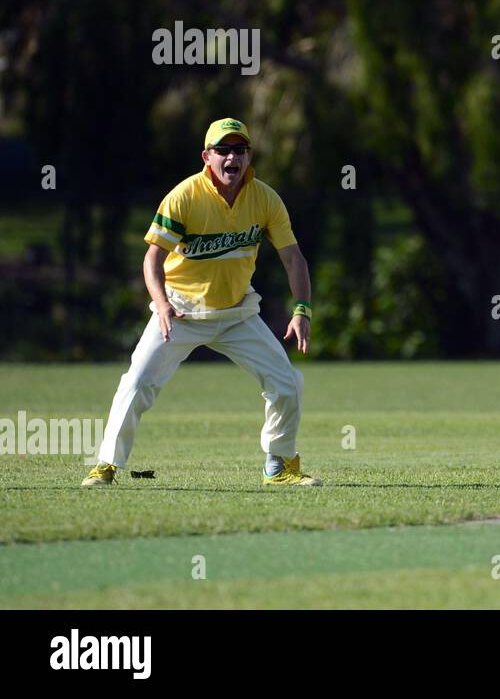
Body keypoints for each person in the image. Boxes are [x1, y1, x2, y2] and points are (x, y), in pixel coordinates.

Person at [80, 118, 322, 488]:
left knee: (287, 383)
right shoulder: (184, 196)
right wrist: (161, 304)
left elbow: (293, 257)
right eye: (222, 150)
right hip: (180, 312)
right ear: (206, 156)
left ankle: (279, 465)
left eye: (239, 150)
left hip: (237, 312)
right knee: (138, 381)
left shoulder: (265, 197)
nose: (231, 158)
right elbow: (152, 259)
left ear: (248, 156)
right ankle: (106, 466)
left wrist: (302, 309)